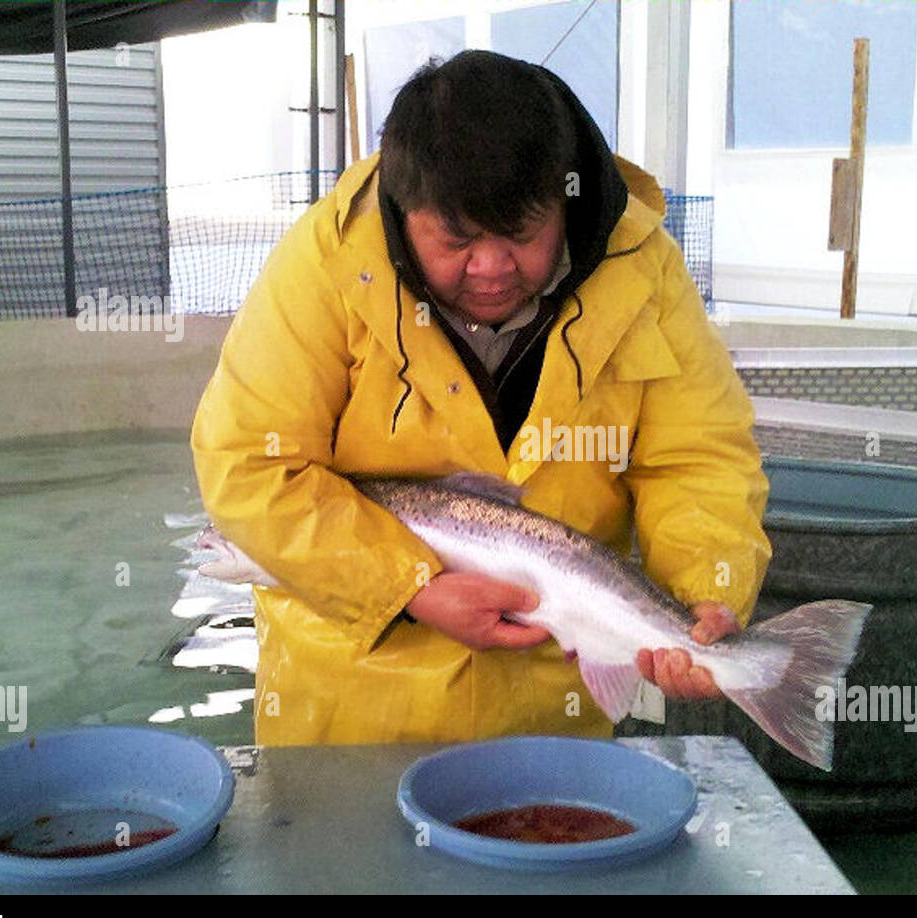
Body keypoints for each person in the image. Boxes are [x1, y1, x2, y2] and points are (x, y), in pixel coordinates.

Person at [190, 50, 771, 745]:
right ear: (404, 212)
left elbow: (698, 458)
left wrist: (708, 592)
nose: (492, 268)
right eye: (457, 239)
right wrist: (412, 587)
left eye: (522, 235)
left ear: (565, 198)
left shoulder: (643, 267)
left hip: (551, 723)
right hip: (347, 723)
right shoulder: (328, 261)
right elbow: (251, 464)